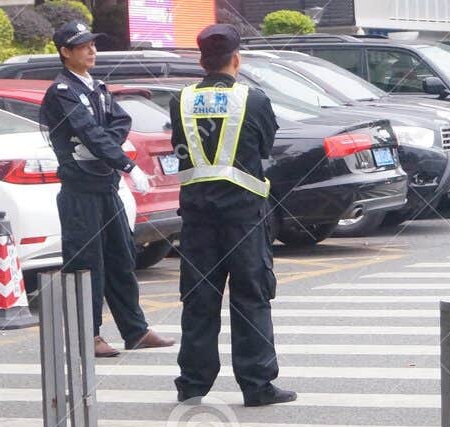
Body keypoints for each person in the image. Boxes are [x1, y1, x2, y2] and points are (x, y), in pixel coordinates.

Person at [169, 23, 294, 407]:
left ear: (201, 61)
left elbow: (179, 145)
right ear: (236, 59)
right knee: (251, 297)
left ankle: (193, 383)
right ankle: (257, 385)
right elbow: (266, 146)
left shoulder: (181, 100)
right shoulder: (253, 100)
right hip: (243, 218)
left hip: (197, 219)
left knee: (199, 299)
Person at [38, 21, 172, 358]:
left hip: (105, 184)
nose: (91, 50)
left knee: (120, 257)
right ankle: (88, 334)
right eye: (83, 46)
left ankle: (135, 330)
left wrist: (103, 148)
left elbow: (119, 123)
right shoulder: (62, 92)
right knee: (85, 262)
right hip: (81, 188)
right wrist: (125, 163)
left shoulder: (97, 87)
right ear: (65, 52)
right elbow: (87, 131)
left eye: (92, 44)